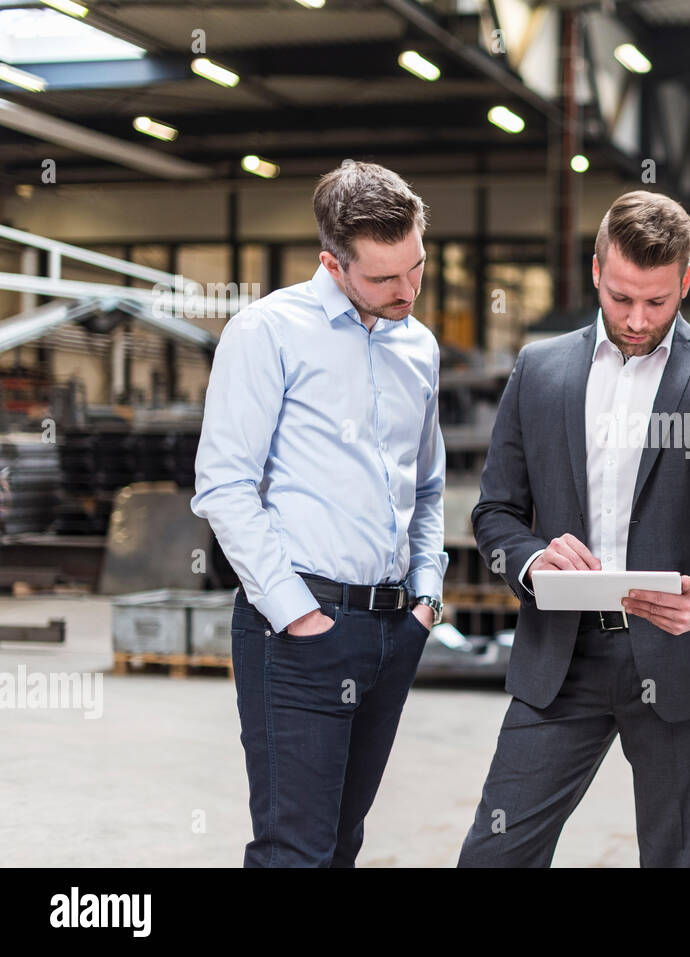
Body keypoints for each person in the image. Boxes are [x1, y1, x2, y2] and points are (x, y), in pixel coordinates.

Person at [458, 189, 690, 867]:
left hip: (683, 660)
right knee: (493, 854)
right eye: (621, 298)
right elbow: (495, 511)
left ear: (685, 280)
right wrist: (532, 561)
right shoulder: (540, 370)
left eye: (657, 301)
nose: (638, 319)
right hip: (561, 661)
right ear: (596, 271)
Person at [191, 161, 448, 867]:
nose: (407, 291)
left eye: (417, 268)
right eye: (384, 278)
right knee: (293, 850)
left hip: (394, 629)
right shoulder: (267, 332)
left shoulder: (418, 346)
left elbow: (426, 485)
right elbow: (224, 485)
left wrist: (426, 591)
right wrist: (296, 613)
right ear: (332, 264)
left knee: (341, 843)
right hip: (299, 636)